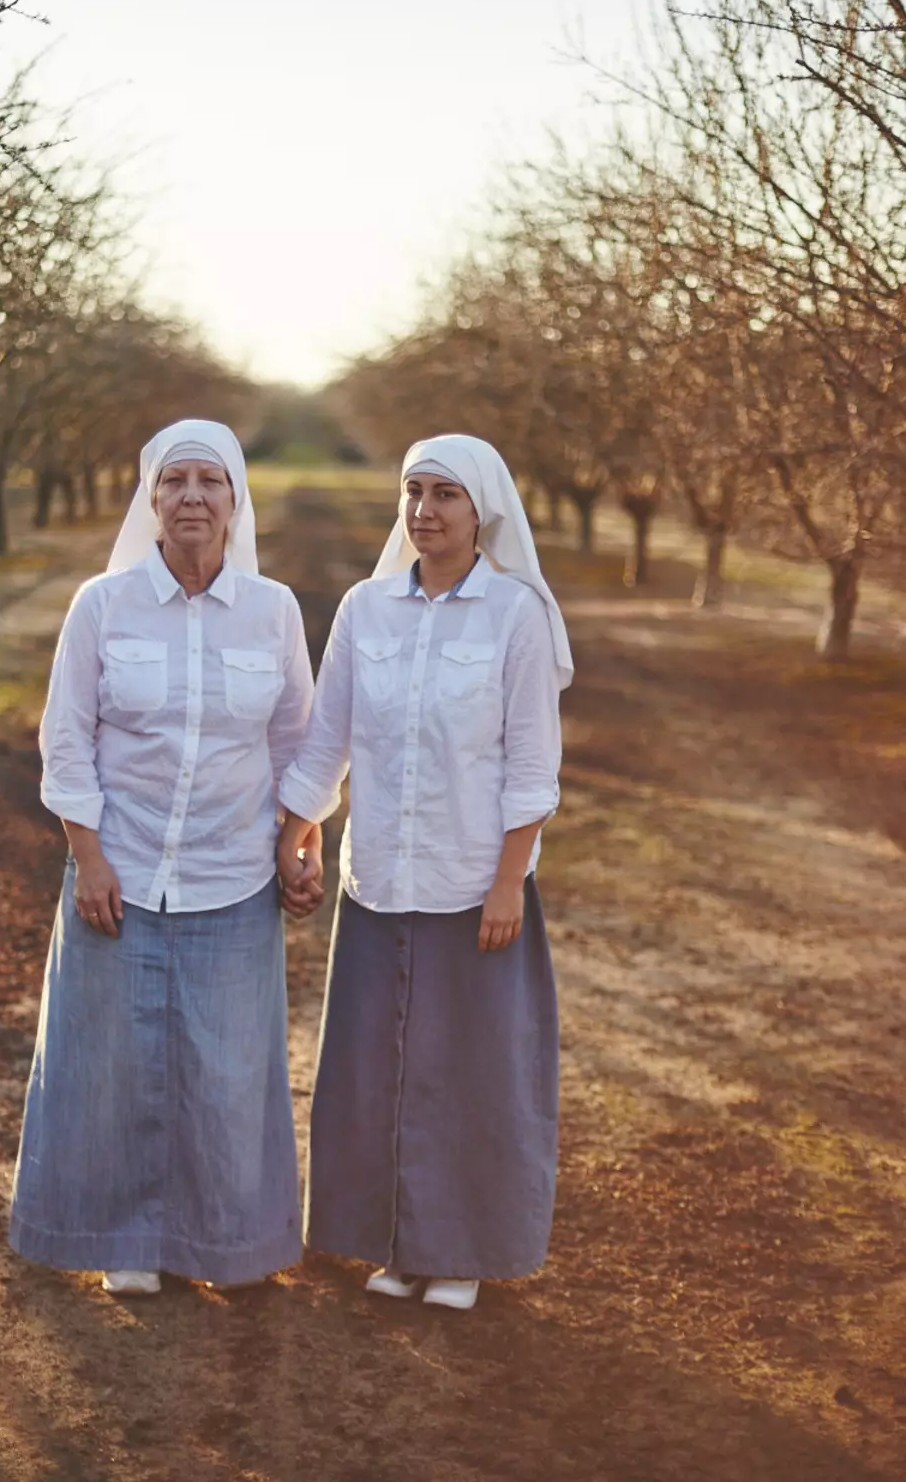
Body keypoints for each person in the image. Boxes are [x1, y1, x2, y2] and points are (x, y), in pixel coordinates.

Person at [9, 419, 320, 1296]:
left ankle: (225, 1245)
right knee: (116, 1063)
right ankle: (129, 1242)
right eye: (174, 480)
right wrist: (89, 856)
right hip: (122, 868)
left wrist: (300, 840)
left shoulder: (275, 611)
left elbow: (297, 740)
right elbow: (65, 740)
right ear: (151, 500)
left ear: (235, 501)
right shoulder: (101, 606)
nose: (192, 496)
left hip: (234, 874)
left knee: (226, 1070)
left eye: (209, 481)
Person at [277, 433, 573, 1311]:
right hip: (379, 882)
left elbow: (531, 766)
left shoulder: (515, 614)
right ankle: (395, 1245)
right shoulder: (366, 609)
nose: (425, 511)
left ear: (482, 509)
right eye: (412, 492)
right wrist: (299, 834)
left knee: (468, 1072)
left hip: (472, 884)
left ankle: (462, 1255)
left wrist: (509, 878)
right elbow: (327, 739)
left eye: (445, 494)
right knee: (378, 1071)